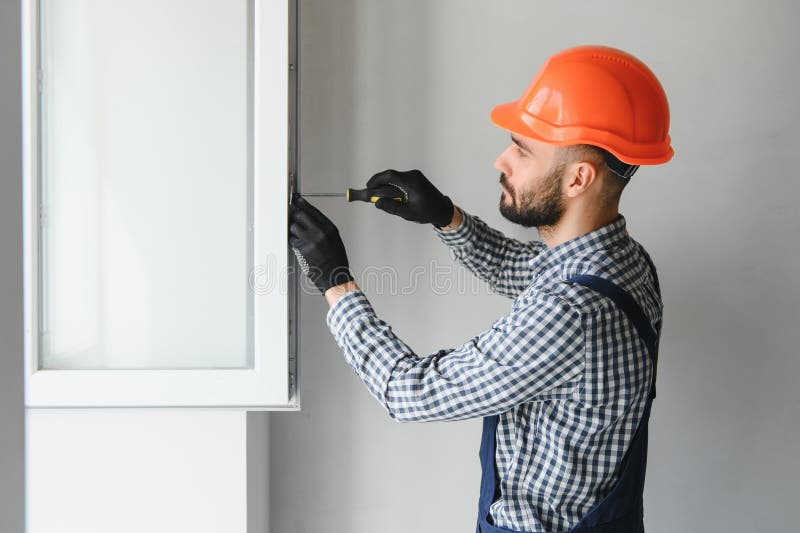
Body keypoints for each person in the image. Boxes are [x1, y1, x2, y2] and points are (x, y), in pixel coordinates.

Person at [289, 45, 673, 533]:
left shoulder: (570, 312)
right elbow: (524, 270)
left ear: (578, 178)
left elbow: (412, 393)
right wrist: (444, 216)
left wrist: (333, 281)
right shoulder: (622, 262)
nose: (502, 160)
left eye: (523, 149)